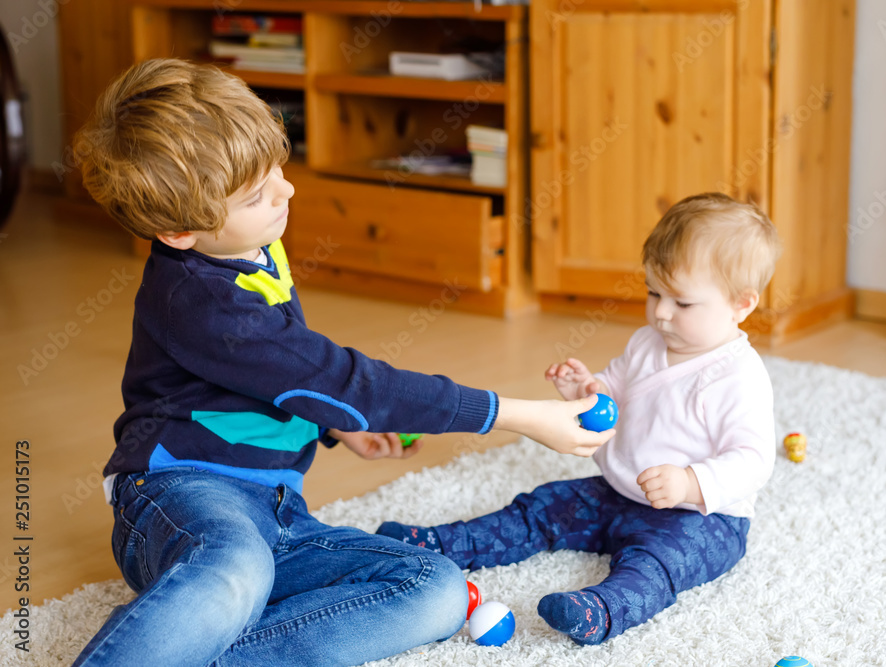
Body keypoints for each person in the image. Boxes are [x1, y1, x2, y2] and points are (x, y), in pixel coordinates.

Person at [70, 58, 613, 667]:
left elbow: (278, 371)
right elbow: (340, 378)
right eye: (256, 193)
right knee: (235, 568)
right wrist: (514, 414)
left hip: (276, 511)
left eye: (278, 166)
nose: (287, 189)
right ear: (179, 232)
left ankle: (193, 643)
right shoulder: (196, 298)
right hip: (178, 492)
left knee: (433, 588)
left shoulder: (252, 243)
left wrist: (332, 422)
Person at [378, 192, 782, 645]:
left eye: (682, 303)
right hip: (619, 489)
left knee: (657, 564)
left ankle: (602, 610)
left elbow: (753, 460)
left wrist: (690, 482)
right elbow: (614, 390)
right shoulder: (648, 342)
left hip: (700, 518)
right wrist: (587, 392)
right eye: (653, 292)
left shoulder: (738, 375)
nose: (661, 313)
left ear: (741, 305)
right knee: (540, 507)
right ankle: (440, 544)